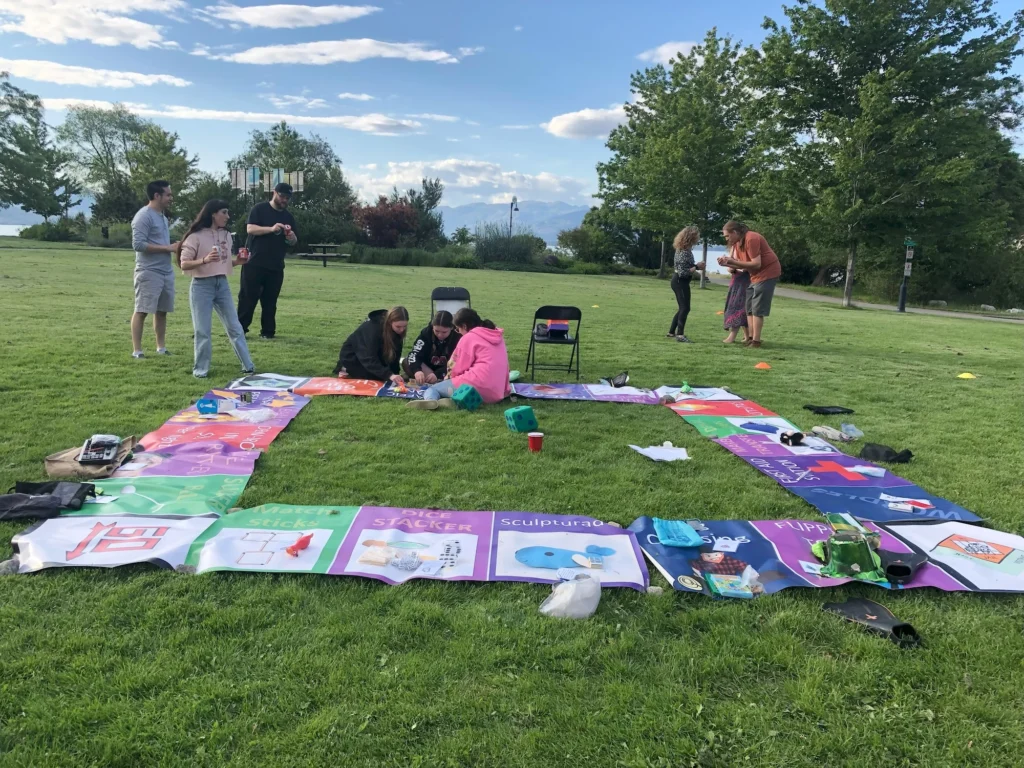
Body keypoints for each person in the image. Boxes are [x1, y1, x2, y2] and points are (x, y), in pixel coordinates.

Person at [176, 199, 255, 379]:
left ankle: (248, 366)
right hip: (201, 286)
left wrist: (237, 262)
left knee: (235, 327)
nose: (228, 216)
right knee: (202, 330)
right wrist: (204, 260)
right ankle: (200, 370)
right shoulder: (195, 236)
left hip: (222, 284)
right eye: (224, 212)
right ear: (213, 214)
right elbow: (184, 264)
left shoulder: (226, 235)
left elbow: (222, 262)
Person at [409, 308, 510, 410]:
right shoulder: (497, 337)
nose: (458, 332)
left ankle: (430, 400)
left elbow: (456, 366)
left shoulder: (469, 337)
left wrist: (446, 379)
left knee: (433, 389)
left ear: (464, 326)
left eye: (458, 329)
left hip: (476, 387)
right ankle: (452, 400)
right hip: (497, 392)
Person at [237, 182, 298, 340]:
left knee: (270, 301)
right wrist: (271, 229)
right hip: (254, 262)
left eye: (287, 198)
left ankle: (268, 332)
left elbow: (293, 241)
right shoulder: (260, 209)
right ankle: (240, 330)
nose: (284, 200)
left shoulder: (288, 217)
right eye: (282, 196)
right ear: (274, 193)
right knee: (247, 298)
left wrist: (292, 238)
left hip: (276, 265)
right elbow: (250, 229)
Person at [130, 180, 179, 358]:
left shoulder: (163, 217)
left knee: (162, 311)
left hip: (165, 271)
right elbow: (138, 244)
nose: (170, 198)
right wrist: (168, 248)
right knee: (142, 310)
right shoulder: (143, 216)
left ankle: (161, 348)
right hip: (149, 271)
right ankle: (137, 351)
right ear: (157, 196)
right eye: (168, 194)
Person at [716, 220, 781, 348]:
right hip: (755, 275)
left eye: (727, 236)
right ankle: (750, 338)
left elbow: (756, 263)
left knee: (757, 308)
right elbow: (743, 266)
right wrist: (727, 263)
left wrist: (732, 261)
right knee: (749, 308)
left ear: (735, 232)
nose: (727, 239)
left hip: (768, 273)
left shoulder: (751, 238)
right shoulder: (737, 243)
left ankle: (756, 341)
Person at [334, 307, 409, 384]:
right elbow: (368, 357)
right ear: (390, 322)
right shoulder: (373, 329)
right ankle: (345, 370)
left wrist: (395, 374)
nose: (402, 330)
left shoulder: (397, 331)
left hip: (373, 355)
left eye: (404, 326)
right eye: (398, 327)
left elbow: (395, 355)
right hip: (354, 358)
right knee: (374, 379)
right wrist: (389, 375)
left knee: (383, 377)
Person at [666, 226, 706, 343]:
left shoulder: (682, 250)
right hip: (680, 281)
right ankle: (680, 335)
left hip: (678, 281)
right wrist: (697, 267)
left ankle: (671, 332)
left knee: (682, 308)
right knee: (685, 308)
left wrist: (695, 266)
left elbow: (685, 267)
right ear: (691, 237)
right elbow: (683, 272)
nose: (698, 239)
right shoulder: (684, 252)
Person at [403, 311, 460, 385]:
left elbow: (458, 361)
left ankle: (436, 381)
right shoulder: (426, 333)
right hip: (428, 369)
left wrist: (438, 374)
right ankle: (429, 380)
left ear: (451, 328)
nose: (440, 335)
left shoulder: (458, 337)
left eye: (444, 332)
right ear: (432, 326)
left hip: (447, 370)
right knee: (406, 361)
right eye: (436, 331)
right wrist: (417, 370)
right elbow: (414, 354)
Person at [722, 266, 751, 344]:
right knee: (740, 308)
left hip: (745, 282)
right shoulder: (734, 254)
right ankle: (748, 336)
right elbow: (730, 267)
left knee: (739, 308)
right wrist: (731, 269)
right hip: (736, 282)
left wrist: (739, 266)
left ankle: (732, 336)